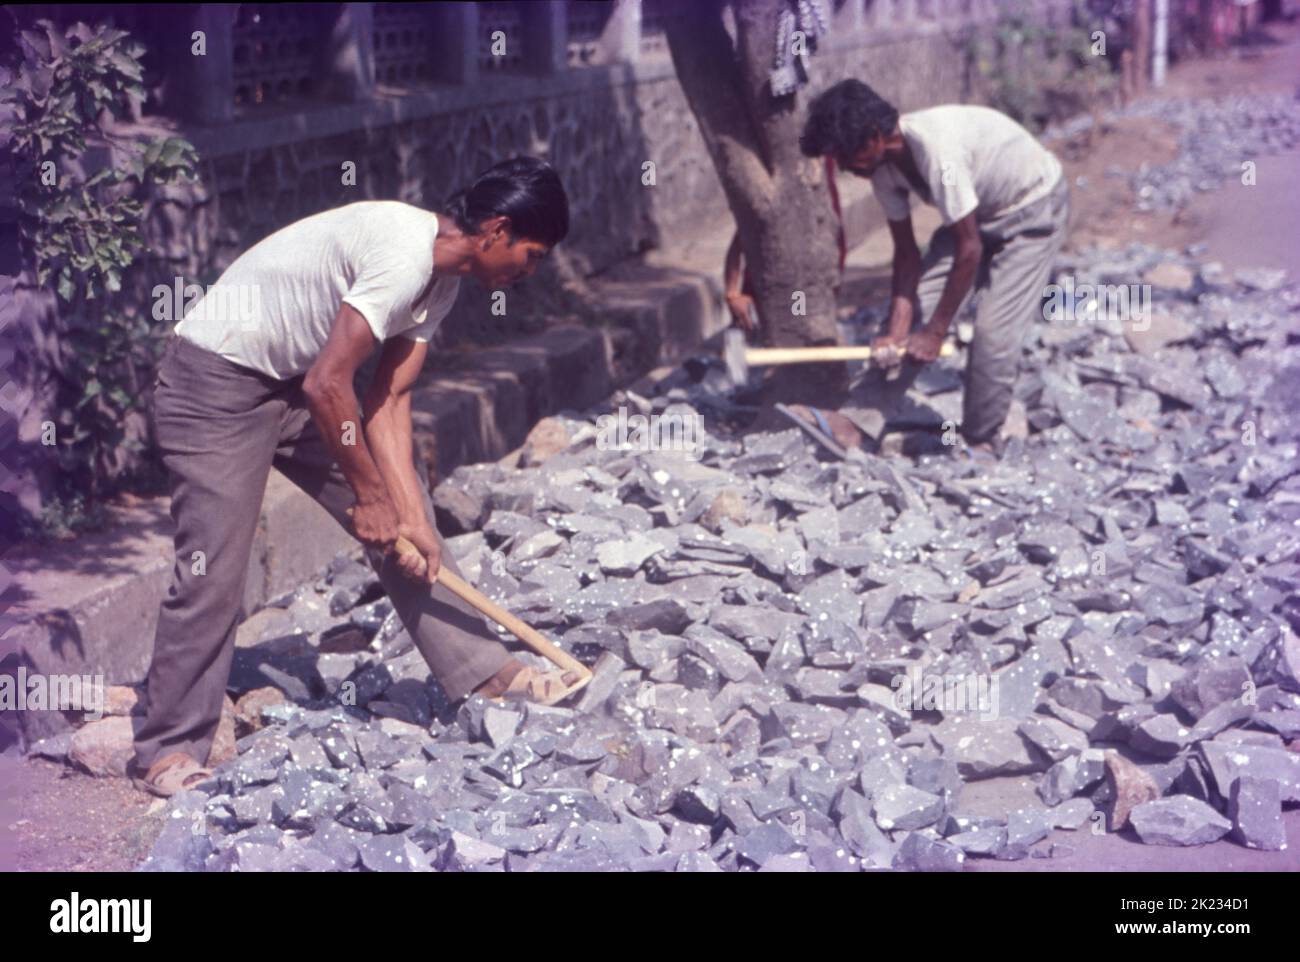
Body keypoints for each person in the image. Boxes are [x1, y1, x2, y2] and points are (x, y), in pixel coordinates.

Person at [131, 157, 579, 797]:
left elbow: (388, 403)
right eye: (531, 255)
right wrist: (370, 497)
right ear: (496, 231)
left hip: (299, 384)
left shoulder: (441, 285)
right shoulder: (403, 255)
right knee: (215, 563)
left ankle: (482, 673)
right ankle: (169, 749)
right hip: (216, 386)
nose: (530, 273)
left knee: (405, 524)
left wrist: (409, 514)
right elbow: (329, 384)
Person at [791, 80, 1070, 455]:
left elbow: (969, 249)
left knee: (993, 332)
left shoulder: (938, 152)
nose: (842, 167)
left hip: (1031, 209)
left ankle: (981, 439)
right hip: (977, 214)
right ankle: (855, 424)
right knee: (905, 320)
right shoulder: (883, 171)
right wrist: (897, 332)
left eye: (844, 156)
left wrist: (935, 333)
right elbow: (906, 255)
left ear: (874, 136)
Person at [723, 156, 847, 336]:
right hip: (765, 290)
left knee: (800, 308)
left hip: (802, 286)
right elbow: (743, 231)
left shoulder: (816, 214)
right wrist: (732, 293)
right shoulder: (768, 202)